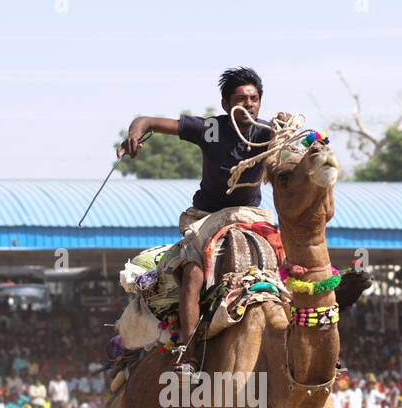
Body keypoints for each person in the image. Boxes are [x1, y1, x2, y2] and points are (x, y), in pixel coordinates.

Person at [118, 66, 289, 348]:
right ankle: (190, 353)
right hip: (205, 219)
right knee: (193, 274)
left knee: (290, 264)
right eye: (241, 99)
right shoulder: (208, 129)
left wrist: (284, 130)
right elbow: (146, 120)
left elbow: (289, 160)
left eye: (254, 98)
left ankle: (307, 345)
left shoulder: (270, 132)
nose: (248, 104)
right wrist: (135, 133)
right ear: (226, 104)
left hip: (252, 218)